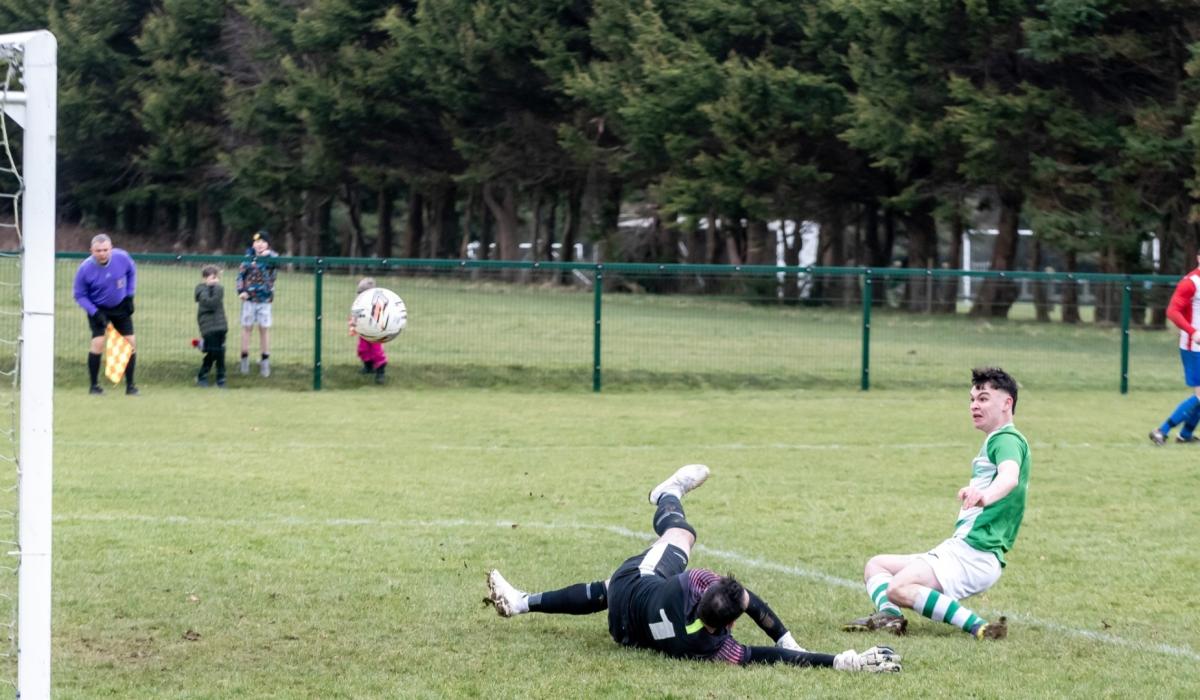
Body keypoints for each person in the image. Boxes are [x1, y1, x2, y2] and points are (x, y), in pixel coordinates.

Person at [485, 464, 902, 673]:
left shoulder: (692, 583)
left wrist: (808, 649)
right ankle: (522, 602)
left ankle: (521, 602)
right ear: (724, 626)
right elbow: (765, 654)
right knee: (658, 552)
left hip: (636, 590)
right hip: (625, 632)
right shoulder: (711, 648)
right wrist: (835, 660)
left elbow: (746, 604)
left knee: (674, 542)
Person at [842, 367, 1028, 640]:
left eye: (984, 398)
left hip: (974, 552)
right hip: (967, 549)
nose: (974, 405)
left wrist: (984, 496)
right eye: (972, 399)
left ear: (1007, 403)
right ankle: (891, 618)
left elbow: (1009, 477)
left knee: (897, 587)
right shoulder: (998, 440)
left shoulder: (1006, 439)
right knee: (877, 565)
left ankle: (979, 627)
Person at [73, 233, 138, 395]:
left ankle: (130, 386)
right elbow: (79, 295)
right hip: (97, 308)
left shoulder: (122, 258)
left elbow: (132, 271)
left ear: (111, 249)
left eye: (105, 250)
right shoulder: (84, 269)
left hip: (120, 306)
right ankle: (94, 386)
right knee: (98, 343)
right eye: (98, 250)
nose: (102, 253)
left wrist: (129, 296)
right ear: (91, 250)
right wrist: (95, 312)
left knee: (130, 343)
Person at [1149, 254, 1200, 444]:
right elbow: (1172, 311)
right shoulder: (1191, 282)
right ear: (1198, 258)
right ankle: (1161, 430)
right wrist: (1192, 331)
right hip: (1193, 346)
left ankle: (1185, 435)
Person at [236, 230, 278, 377]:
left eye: (262, 242)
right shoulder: (248, 258)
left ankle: (265, 362)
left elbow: (277, 263)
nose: (259, 245)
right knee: (247, 329)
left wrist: (269, 256)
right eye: (257, 242)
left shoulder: (272, 258)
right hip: (249, 300)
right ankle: (244, 360)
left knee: (264, 329)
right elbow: (240, 276)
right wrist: (241, 291)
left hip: (265, 301)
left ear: (268, 244)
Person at [349, 277, 388, 385]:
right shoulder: (358, 303)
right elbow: (355, 314)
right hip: (363, 331)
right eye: (359, 293)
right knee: (362, 349)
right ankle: (368, 367)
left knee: (377, 352)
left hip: (375, 333)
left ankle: (380, 372)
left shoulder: (377, 304)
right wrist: (353, 322)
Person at [195, 265, 228, 388]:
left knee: (221, 352)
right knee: (214, 352)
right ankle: (202, 375)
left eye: (217, 278)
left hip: (220, 326)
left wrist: (216, 288)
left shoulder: (217, 289)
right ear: (204, 279)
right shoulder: (201, 291)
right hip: (208, 328)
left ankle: (221, 379)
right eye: (213, 278)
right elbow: (211, 303)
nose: (216, 281)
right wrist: (217, 288)